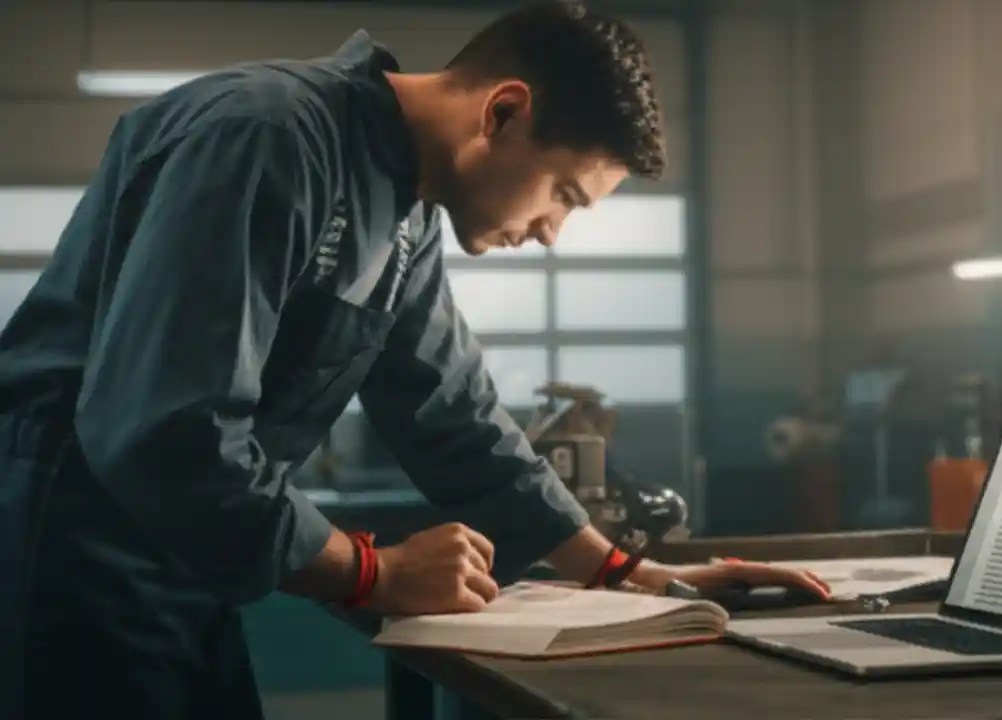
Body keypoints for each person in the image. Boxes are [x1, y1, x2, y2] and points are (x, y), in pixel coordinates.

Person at [0, 2, 829, 717]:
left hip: (189, 560)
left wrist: (623, 571)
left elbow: (452, 413)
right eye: (564, 196)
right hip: (69, 549)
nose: (550, 233)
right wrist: (369, 571)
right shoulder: (266, 135)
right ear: (502, 113)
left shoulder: (407, 211)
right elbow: (161, 429)